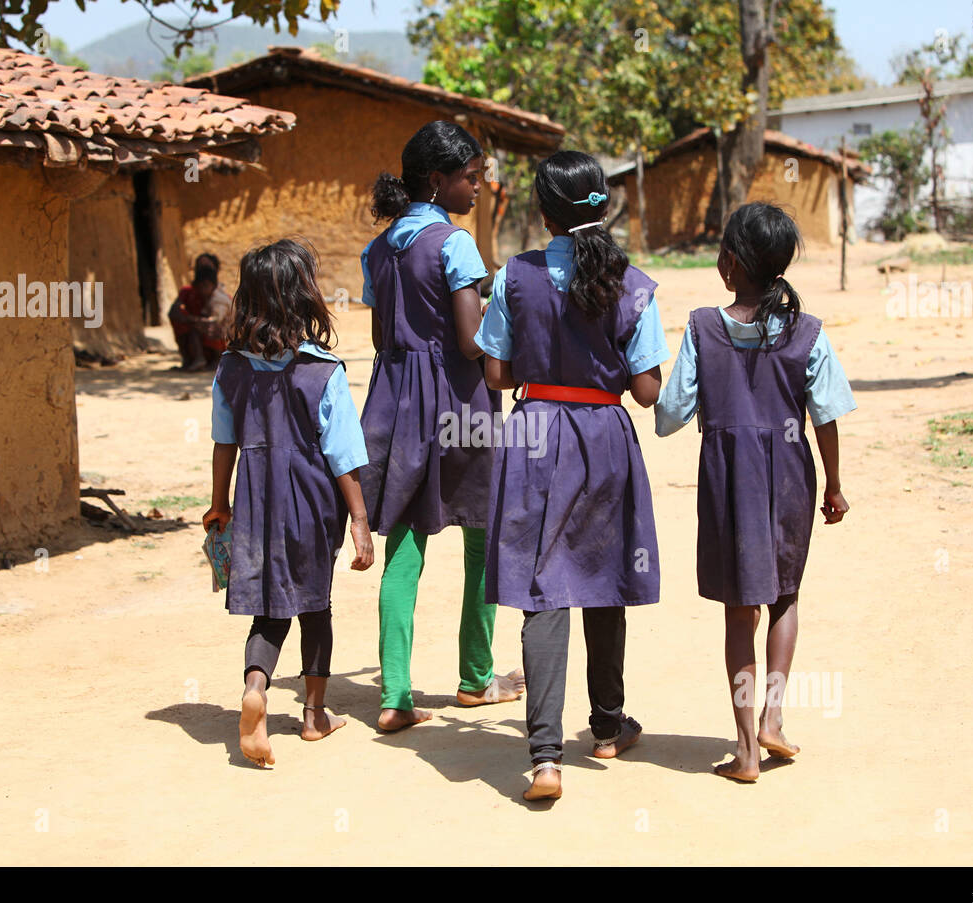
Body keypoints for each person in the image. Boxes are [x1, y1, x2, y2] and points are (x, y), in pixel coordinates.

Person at [476, 150, 669, 801]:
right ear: (604, 205)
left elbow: (497, 375)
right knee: (604, 574)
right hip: (603, 436)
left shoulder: (515, 275)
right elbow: (646, 392)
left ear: (543, 211)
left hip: (534, 434)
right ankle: (609, 726)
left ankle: (546, 758)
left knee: (543, 586)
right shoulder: (632, 282)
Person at [654, 201, 855, 783]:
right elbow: (828, 417)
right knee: (784, 596)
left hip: (726, 483)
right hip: (791, 476)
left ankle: (745, 753)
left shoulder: (702, 328)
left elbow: (669, 415)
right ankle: (773, 718)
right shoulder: (808, 333)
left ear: (730, 264)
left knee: (739, 610)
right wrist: (835, 486)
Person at [359, 120, 524, 732]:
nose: (479, 187)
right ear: (437, 181)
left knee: (403, 548)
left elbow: (380, 337)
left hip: (396, 402)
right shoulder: (455, 245)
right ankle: (476, 679)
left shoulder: (379, 250)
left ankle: (395, 695)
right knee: (480, 536)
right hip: (460, 403)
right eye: (470, 177)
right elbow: (469, 338)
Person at [202, 239, 374, 768]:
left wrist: (218, 506)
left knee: (269, 609)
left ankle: (257, 687)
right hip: (313, 503)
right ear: (305, 297)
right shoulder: (323, 371)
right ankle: (315, 715)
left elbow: (223, 442)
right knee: (314, 604)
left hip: (254, 501)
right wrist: (361, 522)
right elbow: (343, 454)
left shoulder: (230, 369)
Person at [170, 263, 223, 371]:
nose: (203, 289)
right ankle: (191, 359)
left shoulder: (218, 299)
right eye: (201, 285)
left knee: (212, 328)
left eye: (206, 285)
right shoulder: (188, 292)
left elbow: (217, 321)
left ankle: (216, 360)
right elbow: (173, 312)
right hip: (196, 331)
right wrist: (193, 320)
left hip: (217, 336)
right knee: (185, 326)